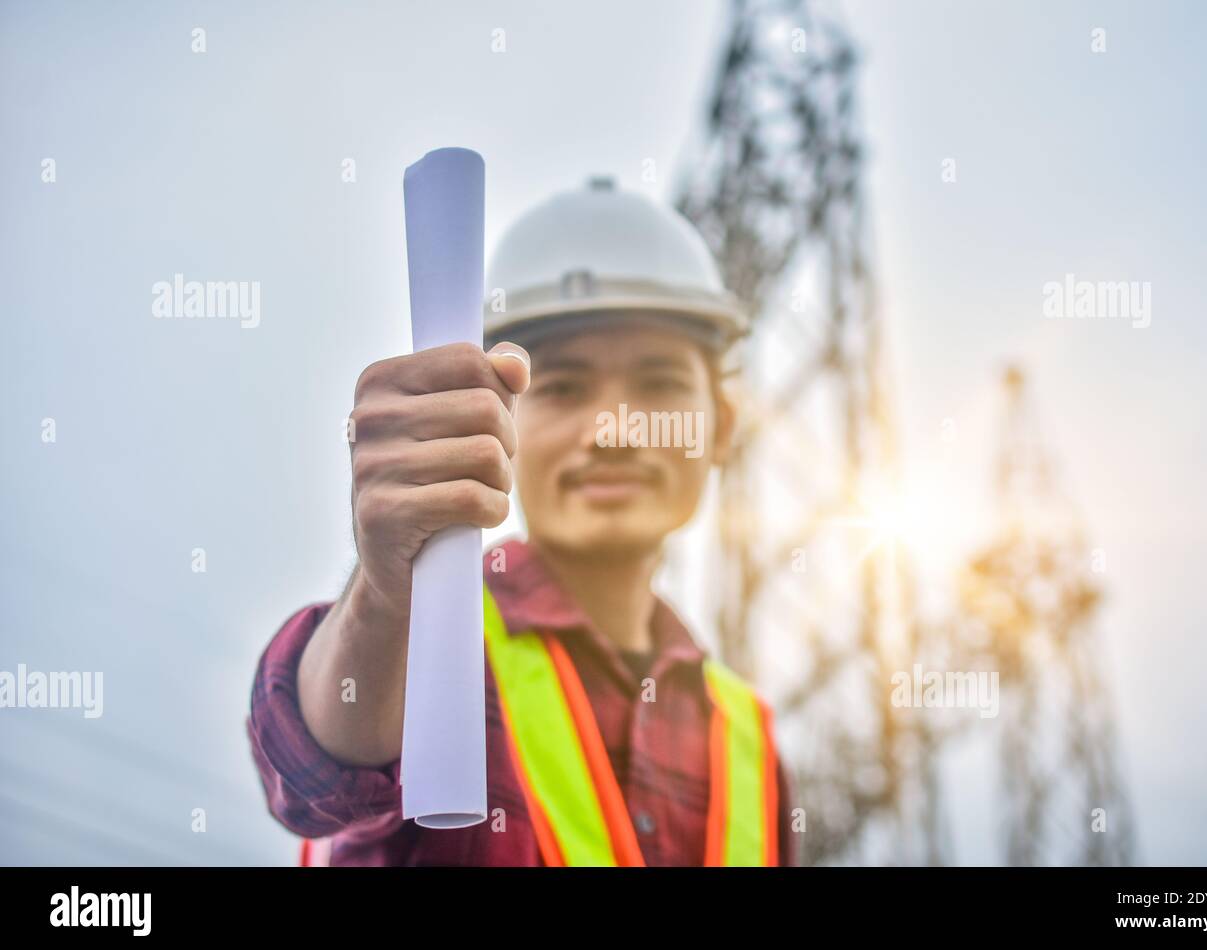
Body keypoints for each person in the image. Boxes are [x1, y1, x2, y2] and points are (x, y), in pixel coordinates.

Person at [246, 176, 798, 866]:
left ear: (724, 427)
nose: (614, 430)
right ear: (489, 416)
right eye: (563, 387)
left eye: (659, 383)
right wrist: (386, 599)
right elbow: (317, 773)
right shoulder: (430, 639)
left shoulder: (749, 739)